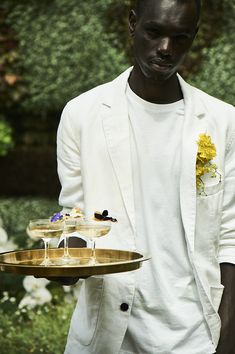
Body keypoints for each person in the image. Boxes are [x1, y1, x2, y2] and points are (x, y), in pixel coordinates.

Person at [56, 0, 235, 353]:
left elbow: (230, 235)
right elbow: (74, 218)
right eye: (154, 32)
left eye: (180, 37)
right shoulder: (82, 114)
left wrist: (228, 336)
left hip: (196, 336)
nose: (166, 49)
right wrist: (64, 257)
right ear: (133, 23)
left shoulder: (223, 121)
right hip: (109, 335)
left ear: (194, 36)